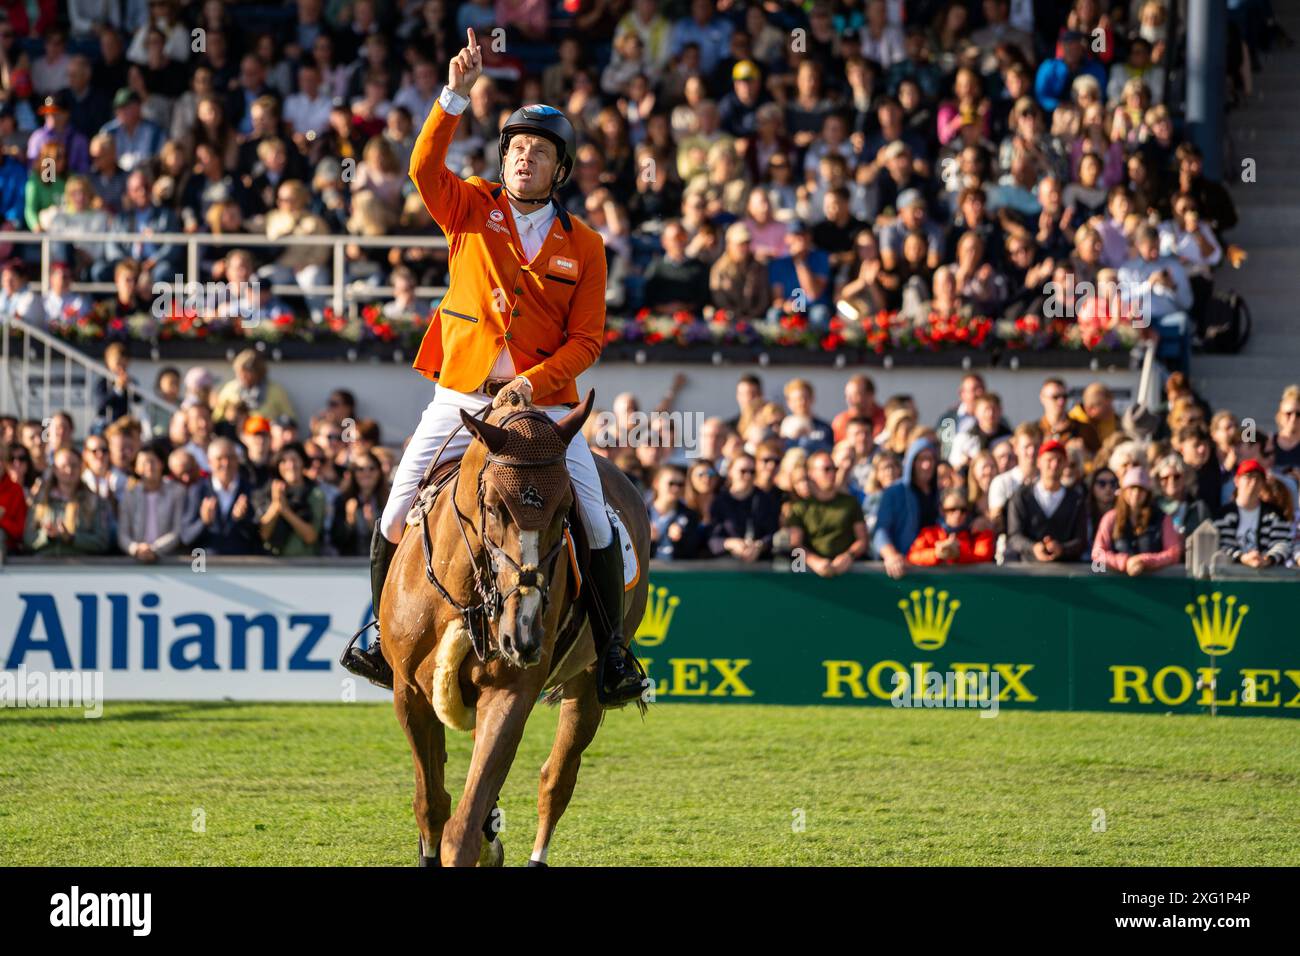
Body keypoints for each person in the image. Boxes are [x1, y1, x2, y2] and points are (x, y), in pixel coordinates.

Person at [347, 30, 643, 706]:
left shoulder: (586, 246)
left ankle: (613, 654)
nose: (522, 159)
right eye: (514, 149)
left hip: (542, 411)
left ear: (559, 169)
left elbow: (587, 340)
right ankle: (376, 633)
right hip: (461, 396)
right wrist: (454, 94)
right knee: (396, 510)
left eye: (537, 152)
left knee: (597, 522)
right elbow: (423, 170)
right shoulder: (471, 205)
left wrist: (529, 385)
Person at [784, 450, 868, 577]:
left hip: (848, 574)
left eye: (834, 468)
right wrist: (814, 562)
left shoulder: (850, 502)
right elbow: (795, 545)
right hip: (810, 579)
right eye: (826, 469)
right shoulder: (800, 508)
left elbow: (863, 540)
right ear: (811, 473)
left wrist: (849, 555)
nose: (832, 473)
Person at [1005, 440, 1088, 563]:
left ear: (1065, 464)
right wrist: (1033, 548)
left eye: (1059, 460)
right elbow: (1014, 536)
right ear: (1039, 462)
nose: (1054, 465)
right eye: (1049, 460)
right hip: (1028, 570)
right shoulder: (1021, 497)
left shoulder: (1076, 500)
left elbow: (1081, 541)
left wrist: (1061, 549)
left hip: (1066, 572)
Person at [1091, 467, 1182, 576]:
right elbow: (1097, 553)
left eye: (1141, 489)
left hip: (1154, 586)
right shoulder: (1110, 518)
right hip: (1117, 585)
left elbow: (1173, 553)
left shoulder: (1163, 518)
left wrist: (1144, 561)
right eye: (1131, 488)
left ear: (1147, 493)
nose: (1136, 493)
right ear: (1123, 491)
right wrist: (1125, 562)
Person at [872, 436, 939, 578]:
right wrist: (891, 556)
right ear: (911, 462)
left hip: (937, 566)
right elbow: (880, 531)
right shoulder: (894, 492)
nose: (926, 465)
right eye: (921, 459)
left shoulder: (940, 493)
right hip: (904, 569)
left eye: (930, 459)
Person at [24, 446, 111, 557]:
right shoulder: (40, 501)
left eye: (74, 466)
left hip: (81, 567)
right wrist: (46, 536)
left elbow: (102, 541)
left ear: (81, 467)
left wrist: (71, 538)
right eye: (63, 466)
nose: (69, 470)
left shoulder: (94, 501)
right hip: (44, 567)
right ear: (55, 469)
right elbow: (28, 539)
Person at [182, 438, 260, 555]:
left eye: (230, 458)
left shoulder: (250, 490)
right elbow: (186, 537)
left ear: (237, 460)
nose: (226, 463)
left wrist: (242, 519)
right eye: (219, 459)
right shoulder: (197, 491)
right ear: (209, 462)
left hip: (242, 566)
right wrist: (204, 522)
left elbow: (259, 536)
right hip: (204, 567)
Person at [1214, 459, 1292, 568]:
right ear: (1237, 481)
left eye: (1258, 478)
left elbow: (1282, 543)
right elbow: (1222, 545)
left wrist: (1267, 559)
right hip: (1231, 576)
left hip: (1266, 576)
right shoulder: (1223, 514)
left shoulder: (1274, 514)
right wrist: (1242, 558)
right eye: (1248, 477)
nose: (1254, 482)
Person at [117, 446, 187, 562]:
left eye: (153, 462)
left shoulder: (177, 491)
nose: (149, 467)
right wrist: (136, 549)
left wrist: (154, 549)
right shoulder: (129, 495)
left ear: (161, 464)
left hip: (170, 560)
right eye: (144, 463)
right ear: (136, 468)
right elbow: (122, 534)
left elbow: (177, 531)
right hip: (135, 561)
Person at [255, 442, 325, 557]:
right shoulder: (267, 491)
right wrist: (275, 506)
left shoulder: (315, 494)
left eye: (295, 460)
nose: (290, 465)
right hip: (273, 564)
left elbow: (311, 537)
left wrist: (285, 511)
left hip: (304, 563)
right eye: (284, 461)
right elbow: (263, 534)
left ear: (303, 462)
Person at [708, 453, 779, 562]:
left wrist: (760, 546)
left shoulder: (766, 500)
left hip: (761, 567)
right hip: (726, 566)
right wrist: (730, 544)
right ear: (730, 471)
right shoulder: (719, 502)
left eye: (752, 472)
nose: (748, 476)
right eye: (743, 471)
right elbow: (712, 539)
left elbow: (773, 533)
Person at [907, 490, 995, 566]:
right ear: (942, 510)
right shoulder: (929, 533)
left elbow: (984, 558)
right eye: (952, 510)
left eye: (962, 510)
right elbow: (912, 556)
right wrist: (937, 553)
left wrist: (959, 553)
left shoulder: (979, 532)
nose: (958, 514)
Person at [647, 464, 703, 561]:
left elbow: (693, 553)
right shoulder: (640, 514)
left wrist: (680, 540)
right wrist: (648, 540)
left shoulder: (691, 516)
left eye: (680, 484)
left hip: (677, 574)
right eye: (671, 483)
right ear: (656, 483)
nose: (676, 488)